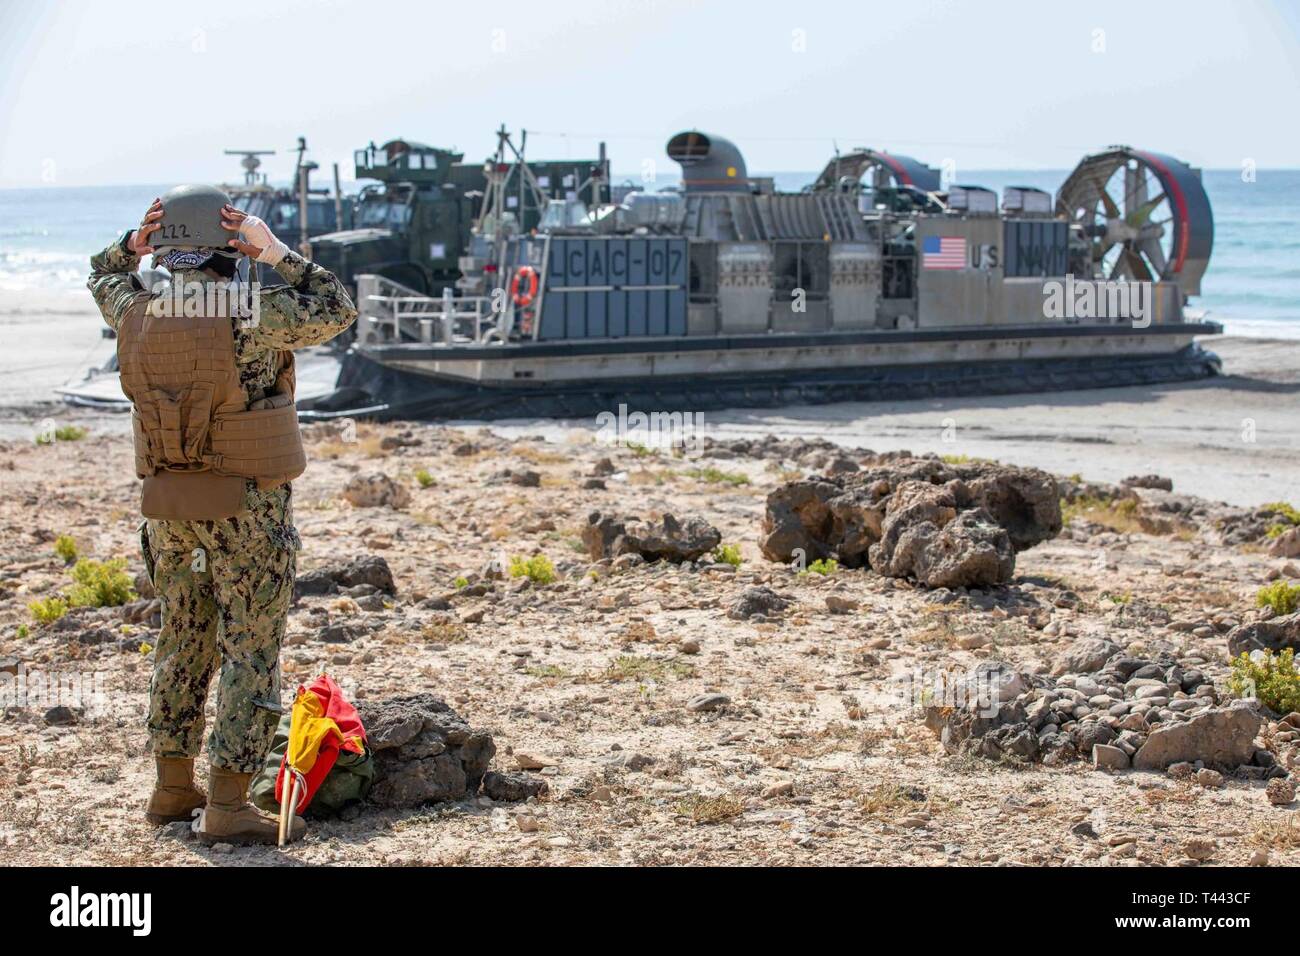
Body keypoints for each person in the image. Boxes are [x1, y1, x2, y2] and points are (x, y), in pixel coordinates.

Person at [87, 184, 357, 845]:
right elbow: (337, 308)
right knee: (250, 654)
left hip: (169, 510)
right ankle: (230, 803)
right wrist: (276, 251)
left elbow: (101, 273)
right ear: (227, 247)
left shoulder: (136, 308)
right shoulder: (249, 308)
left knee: (181, 642)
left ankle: (173, 785)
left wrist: (129, 246)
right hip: (246, 508)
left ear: (165, 247)